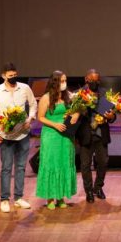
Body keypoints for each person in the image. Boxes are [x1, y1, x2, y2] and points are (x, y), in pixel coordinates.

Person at [0, 62, 37, 213]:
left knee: (21, 167)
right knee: (6, 168)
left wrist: (30, 119)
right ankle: (4, 199)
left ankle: (19, 198)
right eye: (10, 76)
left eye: (15, 75)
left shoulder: (25, 88)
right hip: (6, 135)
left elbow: (33, 104)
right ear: (3, 76)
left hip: (22, 134)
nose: (13, 77)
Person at [35, 71, 78, 210]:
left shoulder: (69, 96)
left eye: (65, 80)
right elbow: (40, 117)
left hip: (66, 135)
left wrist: (74, 114)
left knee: (64, 162)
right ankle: (50, 198)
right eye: (61, 81)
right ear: (54, 83)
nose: (64, 83)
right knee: (51, 163)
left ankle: (61, 197)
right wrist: (55, 125)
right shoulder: (46, 98)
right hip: (51, 134)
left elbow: (77, 109)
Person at [75, 69, 116, 203]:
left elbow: (113, 113)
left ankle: (98, 187)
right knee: (85, 165)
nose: (95, 82)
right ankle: (88, 191)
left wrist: (111, 116)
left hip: (101, 133)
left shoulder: (104, 93)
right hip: (86, 134)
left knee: (103, 162)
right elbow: (74, 115)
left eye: (97, 80)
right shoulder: (79, 94)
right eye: (92, 80)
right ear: (86, 79)